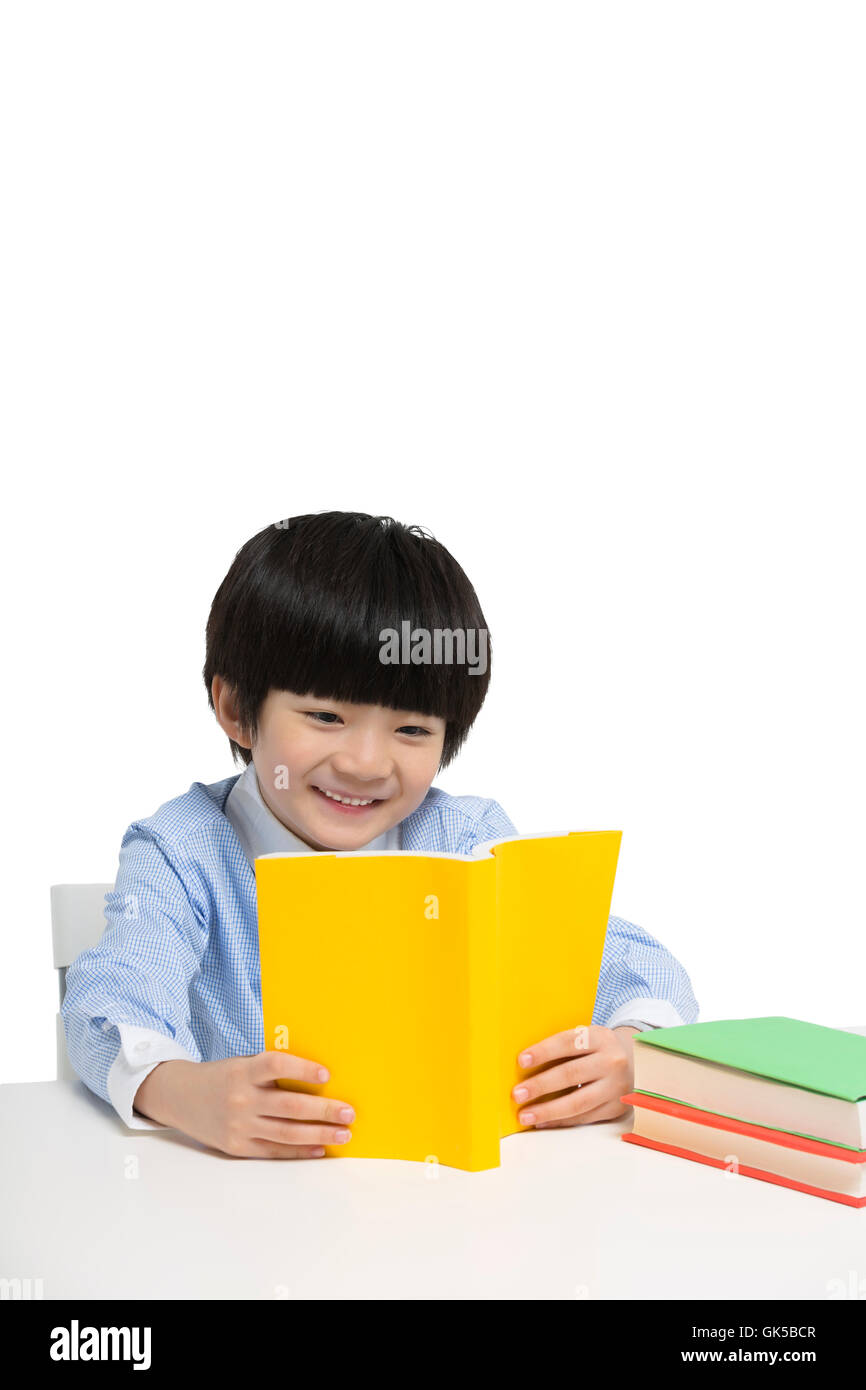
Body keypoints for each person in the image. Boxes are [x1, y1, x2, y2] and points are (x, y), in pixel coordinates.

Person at [62, 510, 699, 1159]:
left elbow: (633, 964)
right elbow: (109, 1003)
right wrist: (181, 1093)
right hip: (245, 1208)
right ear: (236, 710)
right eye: (325, 715)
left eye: (413, 730)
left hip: (450, 1205)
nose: (366, 764)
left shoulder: (465, 837)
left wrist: (628, 1050)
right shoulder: (184, 849)